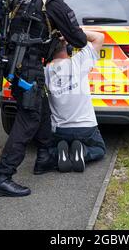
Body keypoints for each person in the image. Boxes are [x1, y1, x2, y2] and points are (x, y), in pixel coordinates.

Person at [0, 0, 88, 198]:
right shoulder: (54, 3)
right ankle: (3, 178)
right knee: (28, 119)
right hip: (30, 69)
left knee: (41, 108)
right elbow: (80, 40)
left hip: (14, 67)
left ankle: (44, 157)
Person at [45, 31, 106, 172]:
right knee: (99, 149)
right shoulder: (79, 62)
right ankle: (83, 152)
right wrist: (70, 32)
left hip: (60, 130)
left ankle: (60, 153)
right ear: (67, 45)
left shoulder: (45, 72)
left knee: (48, 148)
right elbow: (99, 37)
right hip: (86, 128)